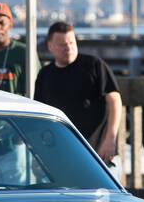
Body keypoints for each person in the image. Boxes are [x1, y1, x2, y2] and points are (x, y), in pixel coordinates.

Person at [34, 21, 122, 167]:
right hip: (61, 155)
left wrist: (110, 139)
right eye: (62, 44)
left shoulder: (94, 65)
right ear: (50, 46)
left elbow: (115, 100)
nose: (68, 47)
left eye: (71, 42)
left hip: (99, 153)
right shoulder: (45, 75)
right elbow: (40, 116)